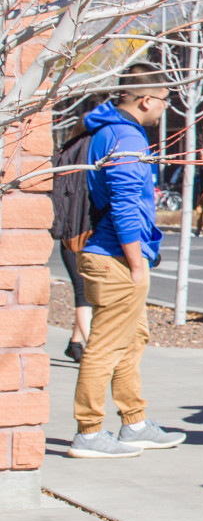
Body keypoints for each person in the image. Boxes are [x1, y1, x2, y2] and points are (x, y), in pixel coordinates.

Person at [70, 70, 185, 459]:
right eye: (166, 101)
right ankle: (88, 432)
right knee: (105, 346)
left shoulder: (106, 129)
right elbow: (124, 204)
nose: (166, 108)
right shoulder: (127, 137)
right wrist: (136, 263)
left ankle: (134, 423)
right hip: (115, 258)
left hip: (110, 254)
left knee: (132, 340)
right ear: (146, 100)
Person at [52, 115, 95, 364]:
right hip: (82, 232)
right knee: (84, 292)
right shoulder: (92, 155)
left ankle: (76, 343)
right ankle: (92, 352)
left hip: (70, 232)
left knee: (85, 290)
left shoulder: (64, 155)